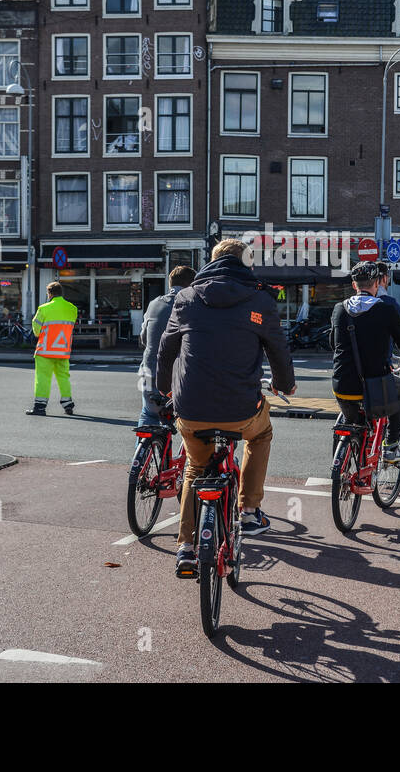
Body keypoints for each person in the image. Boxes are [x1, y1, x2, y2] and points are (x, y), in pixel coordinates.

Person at [156, 239, 296, 579]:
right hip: (241, 409)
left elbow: (166, 349)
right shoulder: (260, 300)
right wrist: (284, 384)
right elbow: (277, 349)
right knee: (261, 433)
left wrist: (164, 388)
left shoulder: (187, 298)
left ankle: (186, 548)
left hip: (190, 409)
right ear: (246, 263)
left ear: (212, 262)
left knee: (194, 468)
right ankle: (248, 509)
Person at [331, 261, 400, 465]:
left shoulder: (339, 309)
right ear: (376, 284)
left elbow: (333, 343)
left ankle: (350, 456)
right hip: (375, 386)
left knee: (355, 424)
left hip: (342, 387)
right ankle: (390, 446)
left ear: (354, 285)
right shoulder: (385, 309)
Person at [136, 265, 196, 430]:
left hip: (148, 372)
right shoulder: (193, 305)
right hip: (178, 378)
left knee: (148, 415)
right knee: (195, 422)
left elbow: (143, 338)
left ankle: (141, 454)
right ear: (192, 285)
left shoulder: (154, 304)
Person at [27, 281, 79, 416]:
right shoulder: (72, 308)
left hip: (45, 350)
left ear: (49, 293)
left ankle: (40, 407)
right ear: (61, 292)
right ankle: (68, 403)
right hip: (63, 350)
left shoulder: (43, 308)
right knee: (64, 377)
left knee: (43, 378)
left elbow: (36, 330)